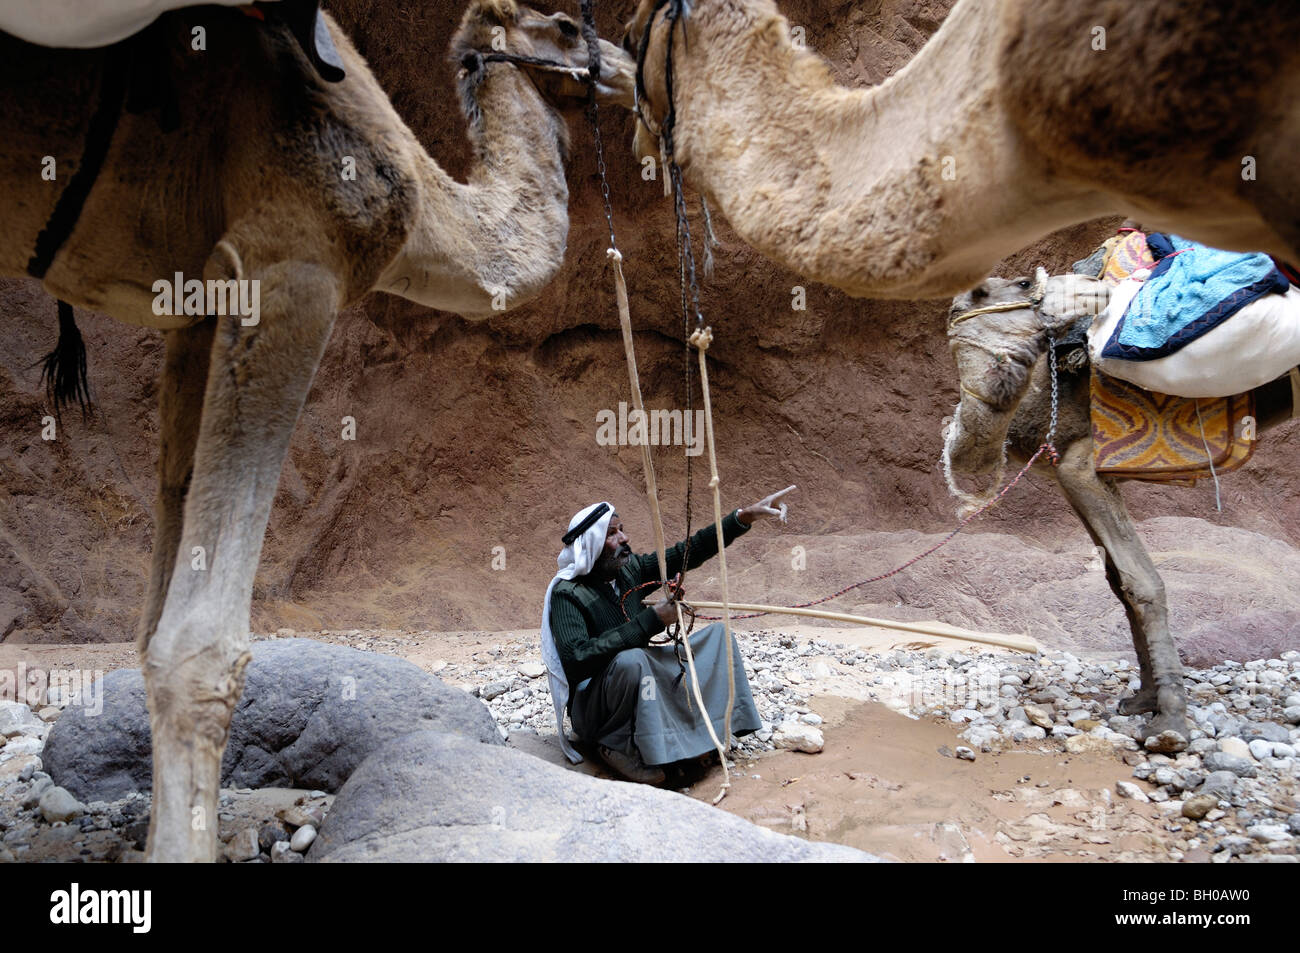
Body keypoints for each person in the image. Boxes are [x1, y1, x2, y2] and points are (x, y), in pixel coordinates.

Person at [540, 487, 796, 783]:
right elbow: (577, 660)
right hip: (594, 709)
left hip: (637, 679)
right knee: (633, 660)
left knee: (718, 637)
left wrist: (743, 517)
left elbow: (687, 552)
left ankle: (704, 730)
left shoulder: (629, 570)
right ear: (591, 546)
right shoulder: (567, 593)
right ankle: (613, 745)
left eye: (622, 530)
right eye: (612, 534)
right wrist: (650, 621)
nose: (624, 538)